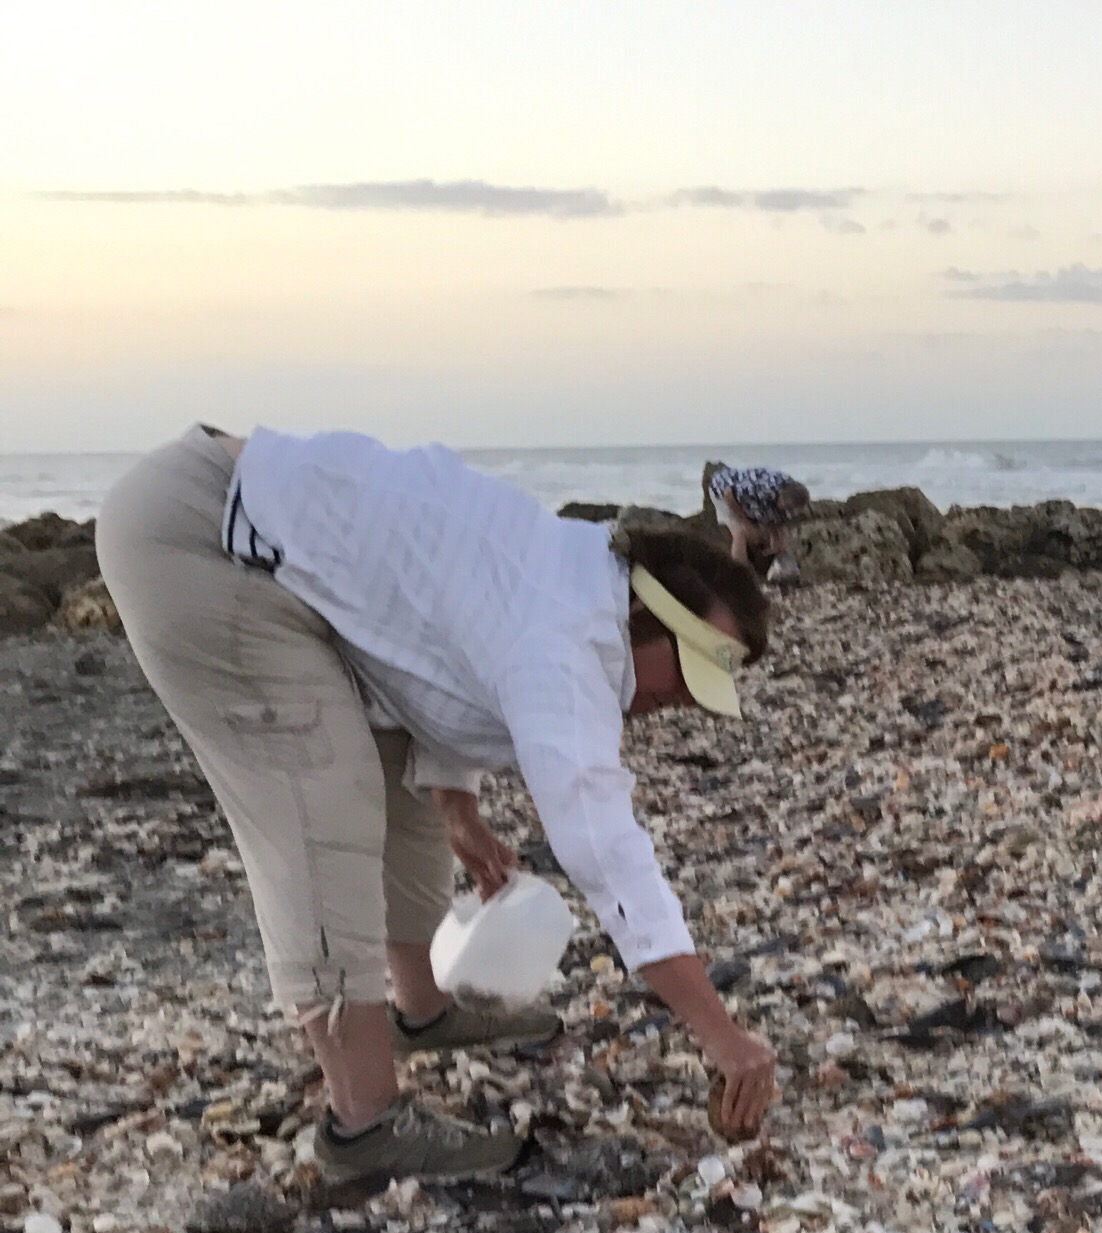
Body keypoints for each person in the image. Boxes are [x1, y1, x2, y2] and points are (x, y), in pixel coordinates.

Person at [94, 424, 783, 1183]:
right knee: (321, 801)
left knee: (394, 771)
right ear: (647, 617)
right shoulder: (566, 640)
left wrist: (458, 803)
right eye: (685, 675)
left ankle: (421, 1009)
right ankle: (365, 1126)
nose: (681, 701)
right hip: (202, 537)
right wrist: (721, 1035)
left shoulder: (577, 574)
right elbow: (607, 854)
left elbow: (437, 655)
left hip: (252, 533)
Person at [701, 462, 812, 578]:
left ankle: (766, 571)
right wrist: (746, 523)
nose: (788, 513)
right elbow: (729, 494)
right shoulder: (762, 489)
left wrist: (776, 540)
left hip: (750, 500)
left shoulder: (791, 492)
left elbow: (777, 518)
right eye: (787, 508)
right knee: (741, 532)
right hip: (723, 490)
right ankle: (739, 576)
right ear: (782, 497)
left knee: (762, 535)